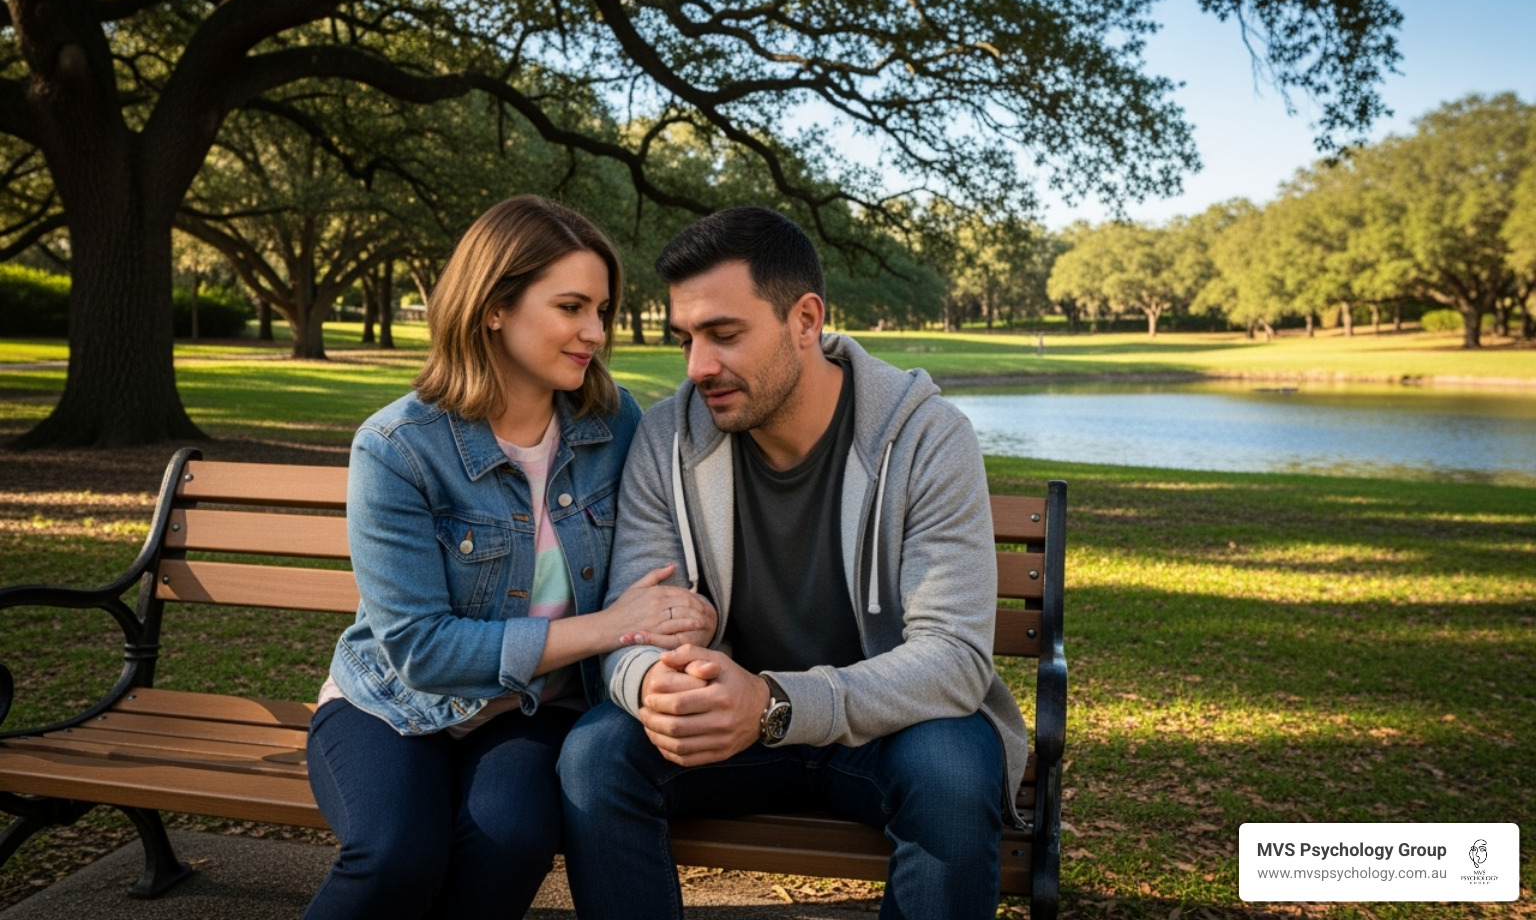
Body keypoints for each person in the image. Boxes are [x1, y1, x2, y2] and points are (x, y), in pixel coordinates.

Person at [558, 206, 1029, 920]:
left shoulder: (927, 437)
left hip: (889, 730)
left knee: (954, 771)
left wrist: (774, 703)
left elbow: (955, 657)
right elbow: (632, 626)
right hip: (730, 736)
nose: (697, 367)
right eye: (686, 337)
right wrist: (653, 682)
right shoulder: (666, 439)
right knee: (596, 755)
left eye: (724, 334)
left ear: (805, 320)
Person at [304, 196, 716, 920]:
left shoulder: (612, 422)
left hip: (534, 707)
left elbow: (680, 507)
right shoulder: (397, 448)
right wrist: (612, 627)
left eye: (603, 310)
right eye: (571, 306)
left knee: (513, 838)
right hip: (392, 706)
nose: (595, 332)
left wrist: (691, 603)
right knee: (396, 855)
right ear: (495, 306)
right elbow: (419, 651)